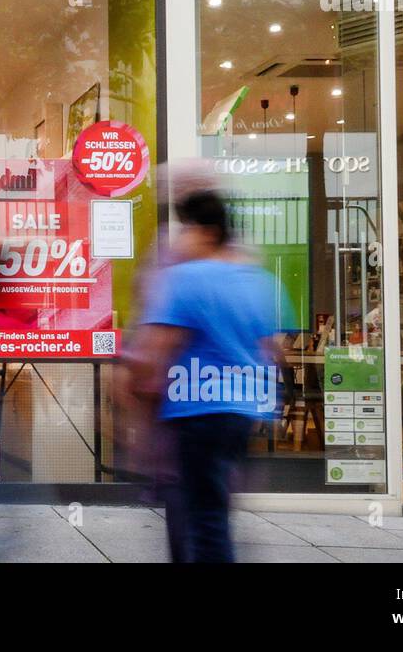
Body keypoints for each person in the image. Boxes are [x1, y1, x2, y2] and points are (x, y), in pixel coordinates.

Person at [132, 189, 279, 563]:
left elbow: (161, 345)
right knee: (214, 509)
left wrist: (143, 393)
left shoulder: (186, 278)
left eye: (188, 230)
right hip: (242, 415)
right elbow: (276, 348)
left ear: (209, 232)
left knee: (204, 520)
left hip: (196, 411)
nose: (181, 240)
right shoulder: (256, 279)